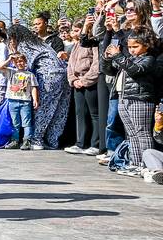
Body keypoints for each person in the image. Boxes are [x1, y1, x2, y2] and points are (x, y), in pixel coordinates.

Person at [101, 29, 159, 168]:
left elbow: (135, 70)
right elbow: (109, 70)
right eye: (130, 47)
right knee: (131, 134)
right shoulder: (129, 59)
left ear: (147, 45)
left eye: (135, 46)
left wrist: (118, 55)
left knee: (142, 133)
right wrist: (107, 58)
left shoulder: (149, 59)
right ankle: (136, 163)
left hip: (140, 99)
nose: (131, 50)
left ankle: (149, 166)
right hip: (123, 97)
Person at [8, 23, 69, 149]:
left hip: (48, 76)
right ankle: (52, 140)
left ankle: (36, 140)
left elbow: (26, 66)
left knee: (43, 108)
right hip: (63, 73)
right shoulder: (38, 42)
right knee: (59, 110)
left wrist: (14, 53)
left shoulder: (24, 45)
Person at [65, 26, 101, 155]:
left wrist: (85, 80)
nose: (74, 33)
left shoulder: (93, 43)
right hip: (77, 82)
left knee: (94, 114)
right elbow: (70, 64)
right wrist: (73, 79)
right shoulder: (76, 45)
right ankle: (80, 143)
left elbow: (96, 63)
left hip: (90, 82)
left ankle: (95, 144)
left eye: (77, 30)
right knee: (80, 113)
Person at [4, 53, 39, 149]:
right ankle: (15, 140)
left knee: (26, 122)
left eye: (21, 61)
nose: (19, 63)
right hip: (13, 100)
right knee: (15, 122)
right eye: (17, 62)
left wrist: (35, 99)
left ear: (25, 62)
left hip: (25, 101)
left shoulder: (30, 75)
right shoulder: (11, 72)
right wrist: (9, 59)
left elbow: (33, 87)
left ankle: (27, 141)